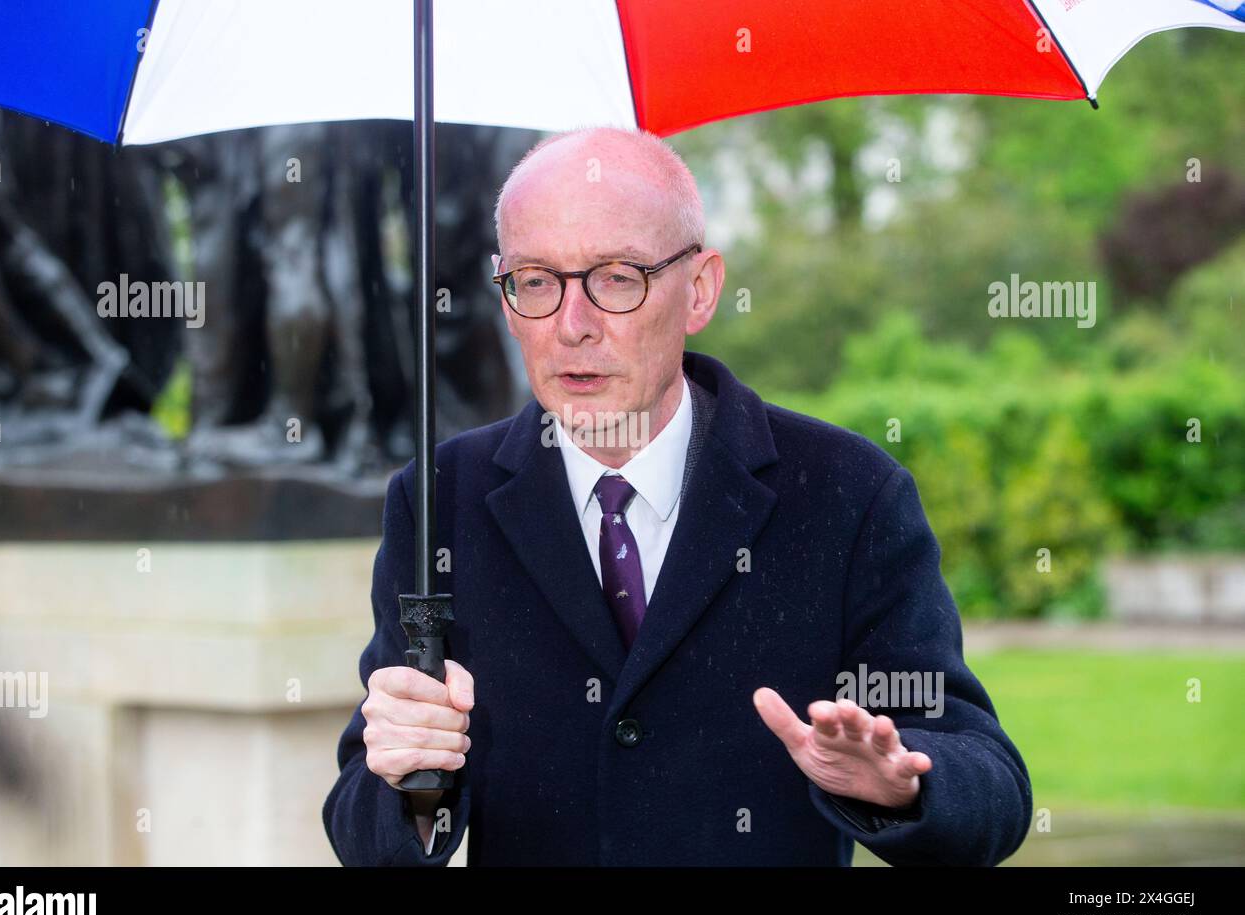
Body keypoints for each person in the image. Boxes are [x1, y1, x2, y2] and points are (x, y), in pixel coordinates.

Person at [322, 126, 1032, 866]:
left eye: (616, 278)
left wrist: (902, 784)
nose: (572, 326)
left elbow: (992, 789)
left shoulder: (848, 494)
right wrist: (410, 781)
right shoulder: (439, 502)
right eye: (535, 281)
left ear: (700, 290)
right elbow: (363, 828)